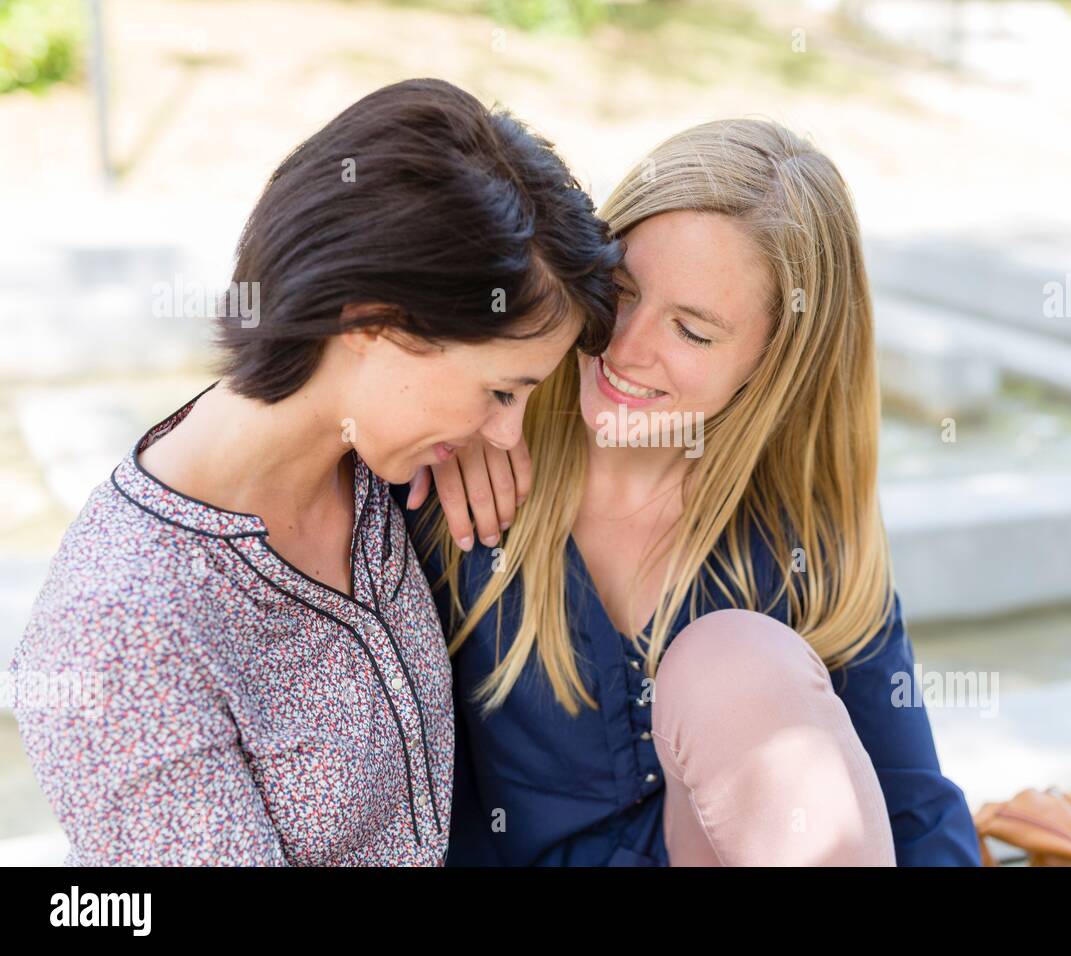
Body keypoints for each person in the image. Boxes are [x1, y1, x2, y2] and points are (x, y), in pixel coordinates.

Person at [8, 77, 620, 865]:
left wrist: (454, 415)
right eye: (501, 392)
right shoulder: (119, 637)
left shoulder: (380, 464)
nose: (506, 433)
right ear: (373, 322)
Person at [401, 119, 981, 866]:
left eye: (693, 332)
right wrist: (452, 411)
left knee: (738, 664)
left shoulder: (801, 543)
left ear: (774, 361)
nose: (628, 346)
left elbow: (914, 808)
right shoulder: (458, 479)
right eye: (621, 291)